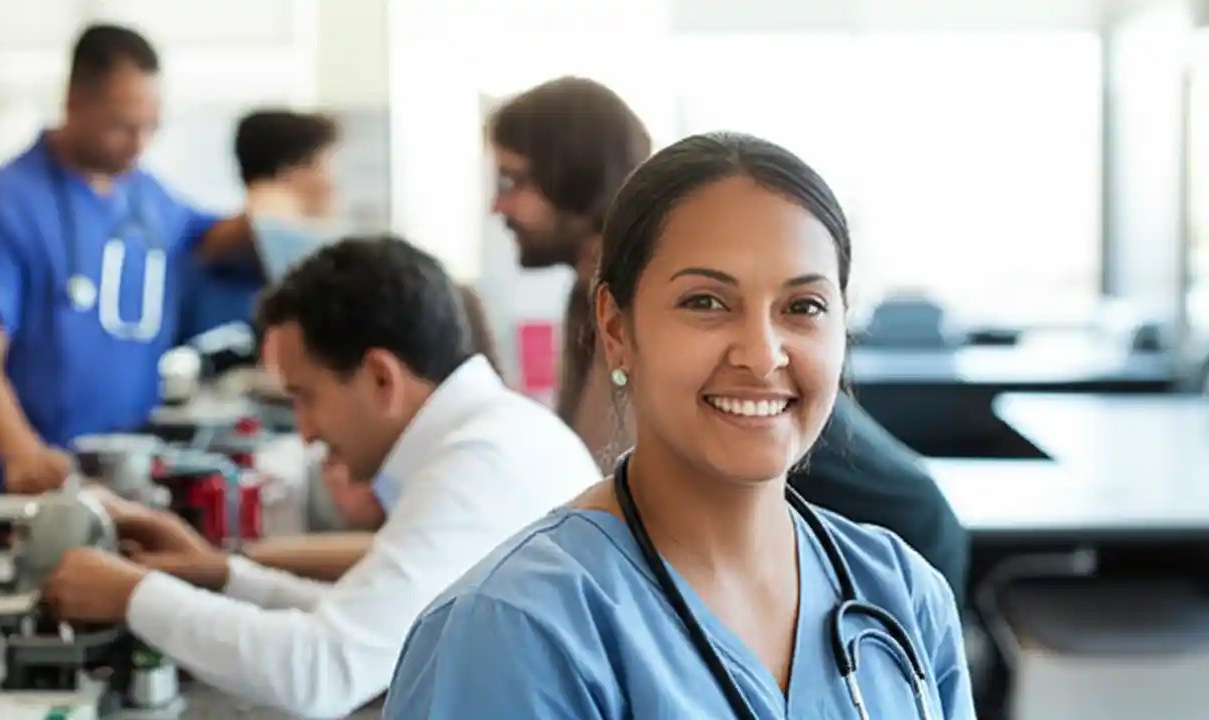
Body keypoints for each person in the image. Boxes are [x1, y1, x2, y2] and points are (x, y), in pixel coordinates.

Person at [385, 132, 975, 719]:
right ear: (616, 330)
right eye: (706, 302)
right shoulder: (513, 630)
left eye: (803, 307)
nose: (762, 353)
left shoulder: (904, 596)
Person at [40, 236, 599, 717]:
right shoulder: (493, 437)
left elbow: (322, 672)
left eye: (306, 398)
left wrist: (133, 593)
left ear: (381, 377)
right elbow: (365, 619)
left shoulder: (482, 464)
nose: (305, 434)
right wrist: (224, 577)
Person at [488, 76, 969, 597]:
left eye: (514, 182)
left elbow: (588, 477)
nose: (499, 206)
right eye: (705, 303)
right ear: (613, 322)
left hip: (897, 546)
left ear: (572, 176)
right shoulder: (602, 295)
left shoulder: (638, 296)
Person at [0, 24, 254, 498]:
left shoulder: (147, 197)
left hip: (128, 478)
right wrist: (21, 453)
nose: (138, 143)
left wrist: (283, 210)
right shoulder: (0, 207)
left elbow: (215, 239)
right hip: (29, 490)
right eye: (120, 125)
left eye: (150, 126)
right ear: (73, 103)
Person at [178, 110, 341, 340]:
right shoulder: (222, 238)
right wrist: (272, 199)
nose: (334, 183)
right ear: (291, 171)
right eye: (327, 166)